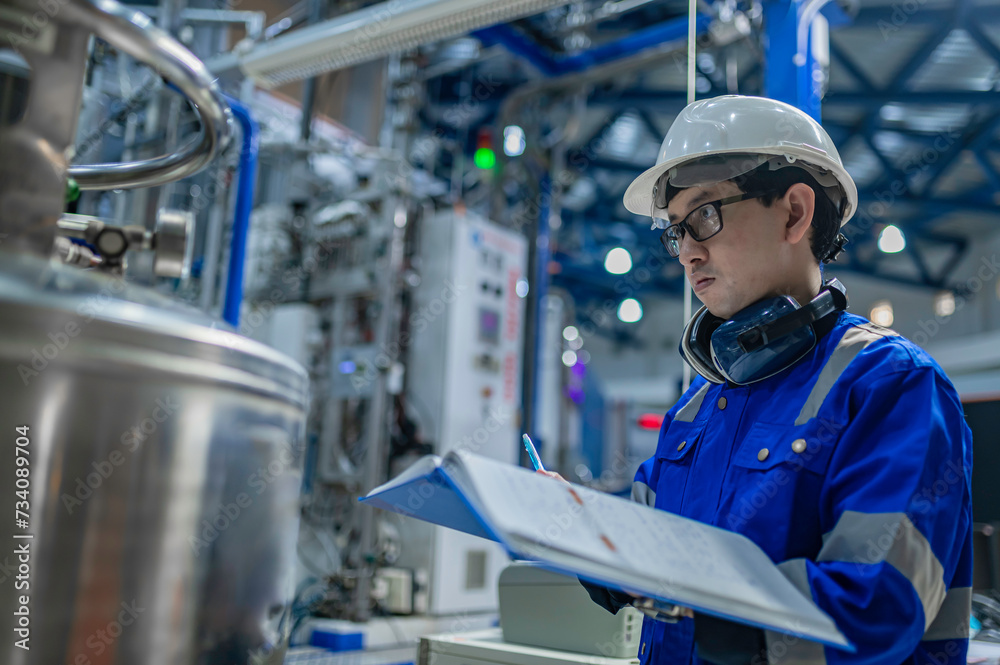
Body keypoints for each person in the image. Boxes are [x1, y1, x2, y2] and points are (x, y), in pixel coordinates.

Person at [561, 95, 974, 665]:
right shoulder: (698, 407)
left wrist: (708, 608)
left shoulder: (891, 385)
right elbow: (648, 540)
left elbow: (877, 604)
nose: (686, 253)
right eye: (676, 232)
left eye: (704, 215)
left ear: (795, 213)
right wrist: (581, 533)